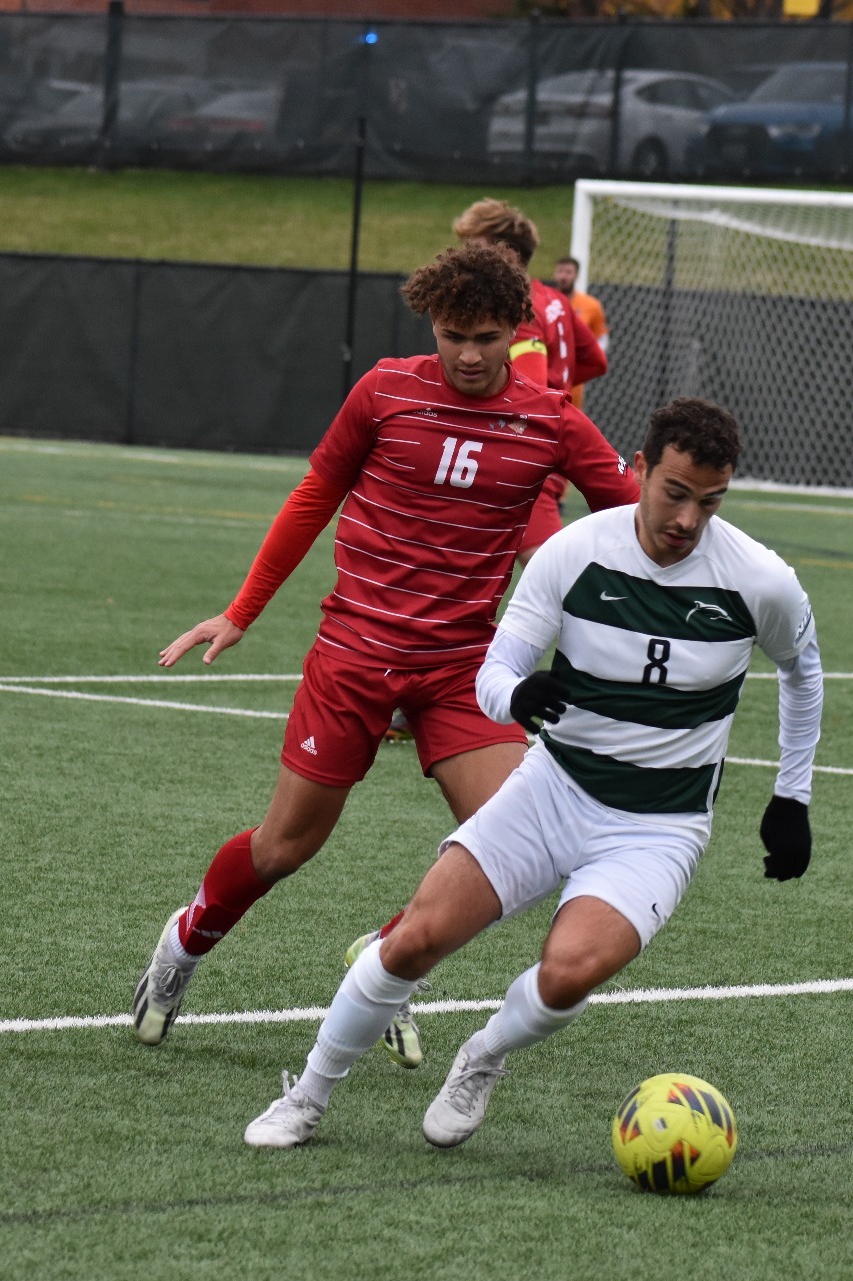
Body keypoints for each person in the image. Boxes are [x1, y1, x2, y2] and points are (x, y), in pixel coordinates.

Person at [242, 397, 823, 1151]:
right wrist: (516, 697)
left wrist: (791, 796)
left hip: (658, 826)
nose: (687, 519)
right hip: (550, 792)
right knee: (414, 939)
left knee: (568, 973)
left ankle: (484, 1054)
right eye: (675, 492)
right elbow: (497, 670)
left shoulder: (761, 580)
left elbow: (802, 672)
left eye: (709, 502)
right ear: (639, 470)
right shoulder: (574, 553)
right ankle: (308, 1096)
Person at [135, 244, 638, 1061]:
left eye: (485, 337)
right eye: (452, 335)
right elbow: (315, 495)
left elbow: (633, 516)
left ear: (516, 331)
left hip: (462, 669)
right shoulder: (384, 390)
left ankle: (386, 954)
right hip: (354, 653)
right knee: (284, 847)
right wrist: (242, 610)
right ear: (431, 325)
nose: (468, 354)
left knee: (521, 845)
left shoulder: (551, 419)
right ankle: (185, 941)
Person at [450, 202, 607, 565]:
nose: (465, 258)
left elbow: (528, 400)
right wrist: (558, 386)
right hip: (551, 445)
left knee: (551, 573)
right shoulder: (554, 299)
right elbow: (596, 361)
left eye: (474, 247)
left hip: (527, 459)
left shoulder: (518, 309)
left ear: (506, 252)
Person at [549, 256, 608, 412]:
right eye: (560, 271)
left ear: (576, 275)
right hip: (548, 368)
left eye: (568, 272)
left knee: (571, 412)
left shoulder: (591, 305)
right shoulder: (544, 302)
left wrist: (586, 359)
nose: (564, 276)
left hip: (573, 373)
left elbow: (601, 338)